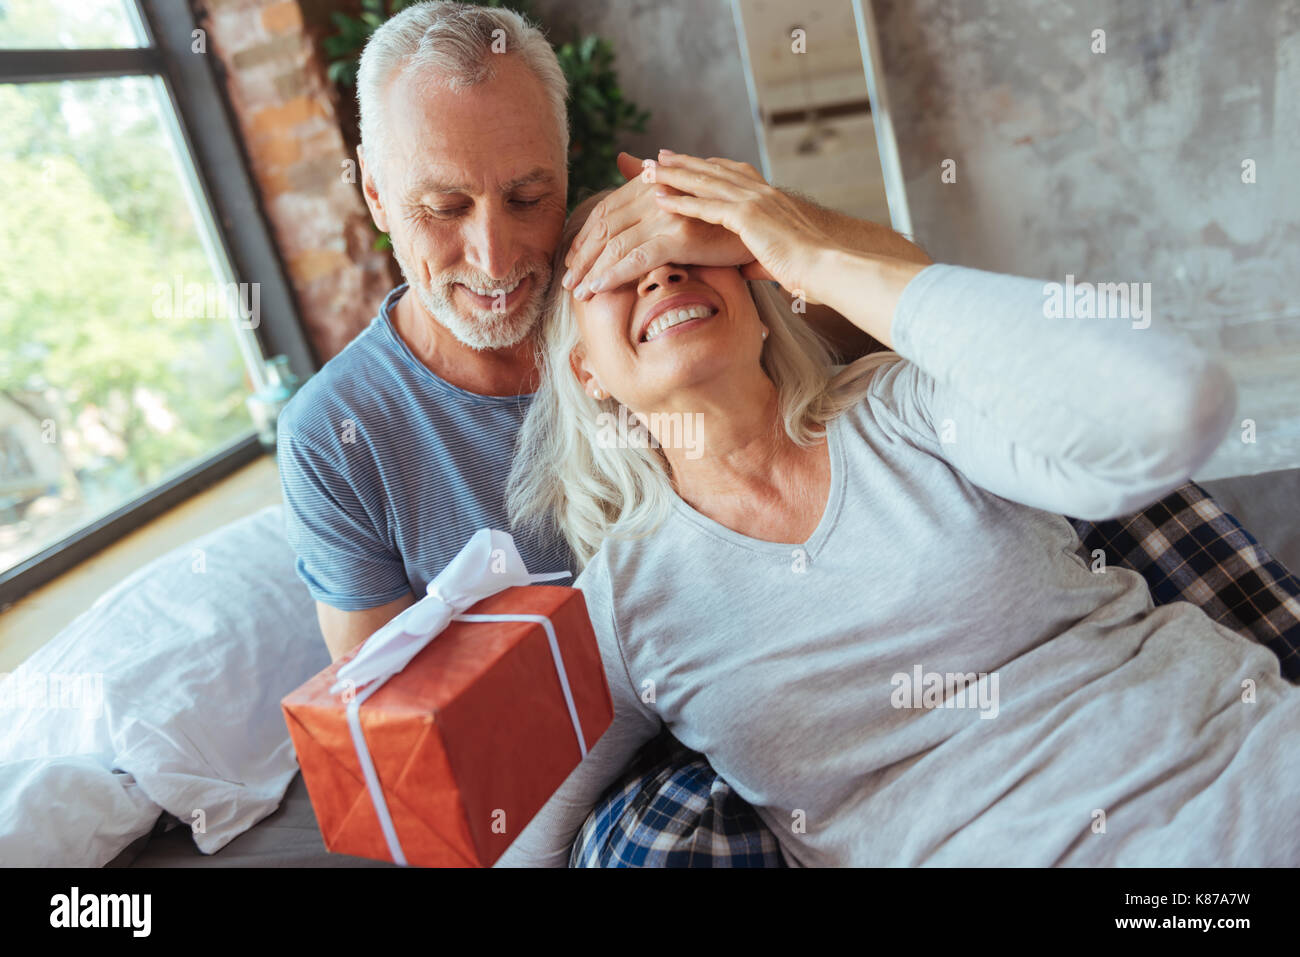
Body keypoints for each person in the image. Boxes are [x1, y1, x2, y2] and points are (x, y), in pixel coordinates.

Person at [501, 152, 1300, 867]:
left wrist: (801, 245)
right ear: (586, 372)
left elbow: (1173, 406)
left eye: (690, 245)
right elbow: (504, 835)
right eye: (616, 269)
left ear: (752, 276)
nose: (662, 274)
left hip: (1261, 774)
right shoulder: (622, 607)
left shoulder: (903, 409)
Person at [275, 1, 931, 663]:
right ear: (377, 194)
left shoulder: (668, 289)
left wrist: (771, 222)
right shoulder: (334, 436)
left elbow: (925, 301)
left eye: (528, 198)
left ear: (565, 166)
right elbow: (382, 725)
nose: (494, 258)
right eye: (445, 208)